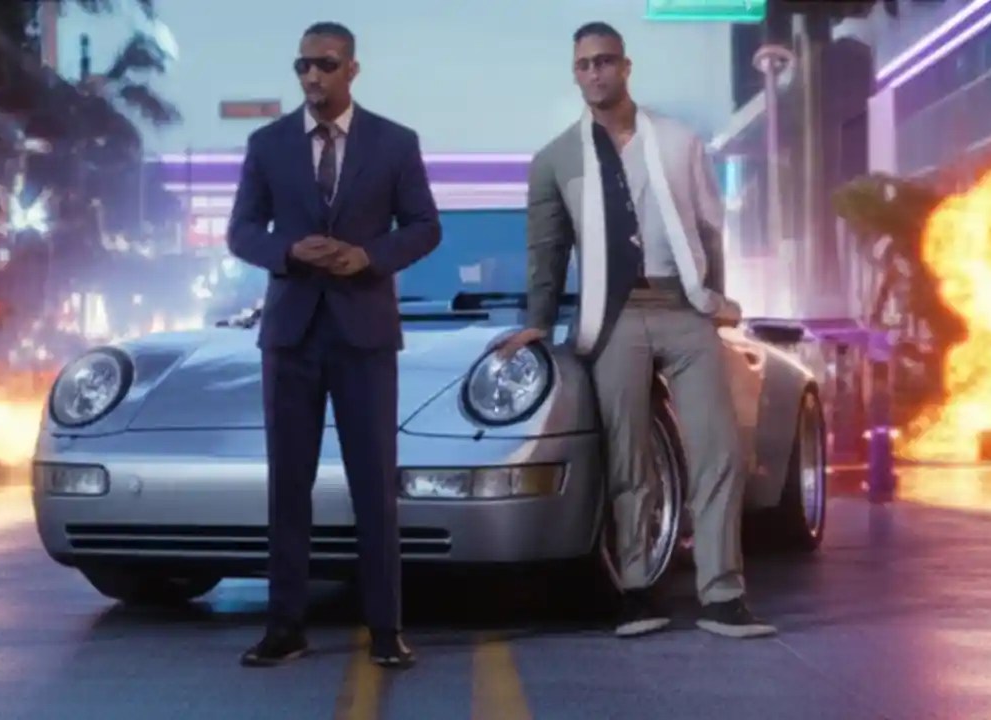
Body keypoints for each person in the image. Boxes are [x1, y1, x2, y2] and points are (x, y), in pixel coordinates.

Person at [495, 21, 776, 639]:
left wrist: (717, 303)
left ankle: (722, 595)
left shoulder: (679, 142)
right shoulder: (556, 159)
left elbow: (707, 231)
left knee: (719, 448)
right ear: (575, 74)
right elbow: (548, 253)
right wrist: (537, 325)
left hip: (683, 308)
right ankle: (638, 592)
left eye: (605, 62)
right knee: (628, 458)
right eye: (585, 65)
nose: (595, 73)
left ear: (626, 67)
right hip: (613, 316)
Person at [227, 21, 441, 668]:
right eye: (302, 66)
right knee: (286, 486)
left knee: (374, 485)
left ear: (352, 69)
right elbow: (241, 231)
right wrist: (287, 251)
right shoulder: (267, 144)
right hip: (290, 334)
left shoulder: (394, 142)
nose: (311, 76)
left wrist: (369, 257)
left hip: (364, 334)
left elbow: (425, 226)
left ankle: (385, 631)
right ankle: (285, 628)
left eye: (324, 65)